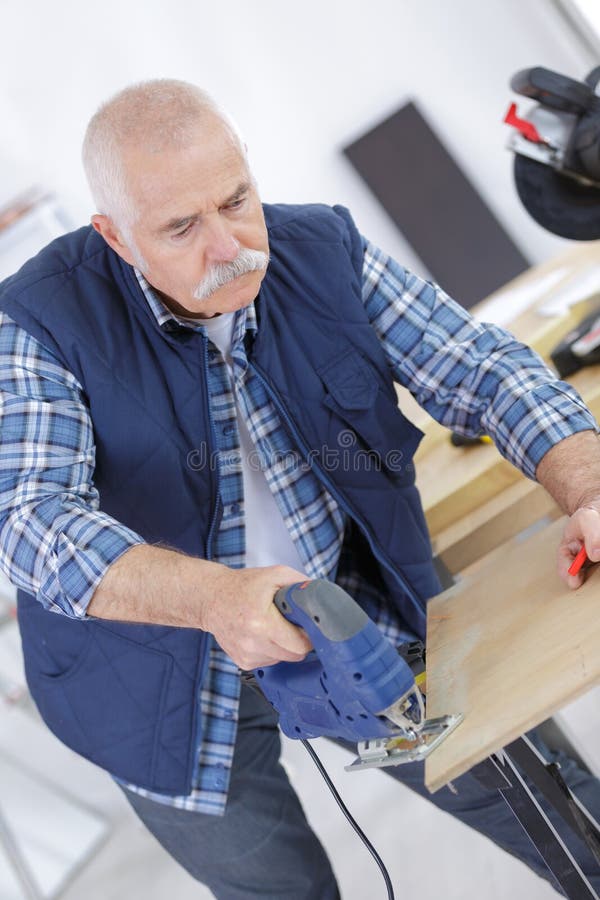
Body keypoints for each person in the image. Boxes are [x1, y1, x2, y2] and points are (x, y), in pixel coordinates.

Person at [1, 79, 599, 899]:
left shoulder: (321, 249)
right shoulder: (36, 321)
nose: (229, 246)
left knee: (562, 812)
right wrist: (218, 600)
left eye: (236, 201)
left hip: (354, 616)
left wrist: (587, 485)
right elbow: (32, 521)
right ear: (115, 236)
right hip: (151, 684)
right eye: (181, 228)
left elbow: (484, 370)